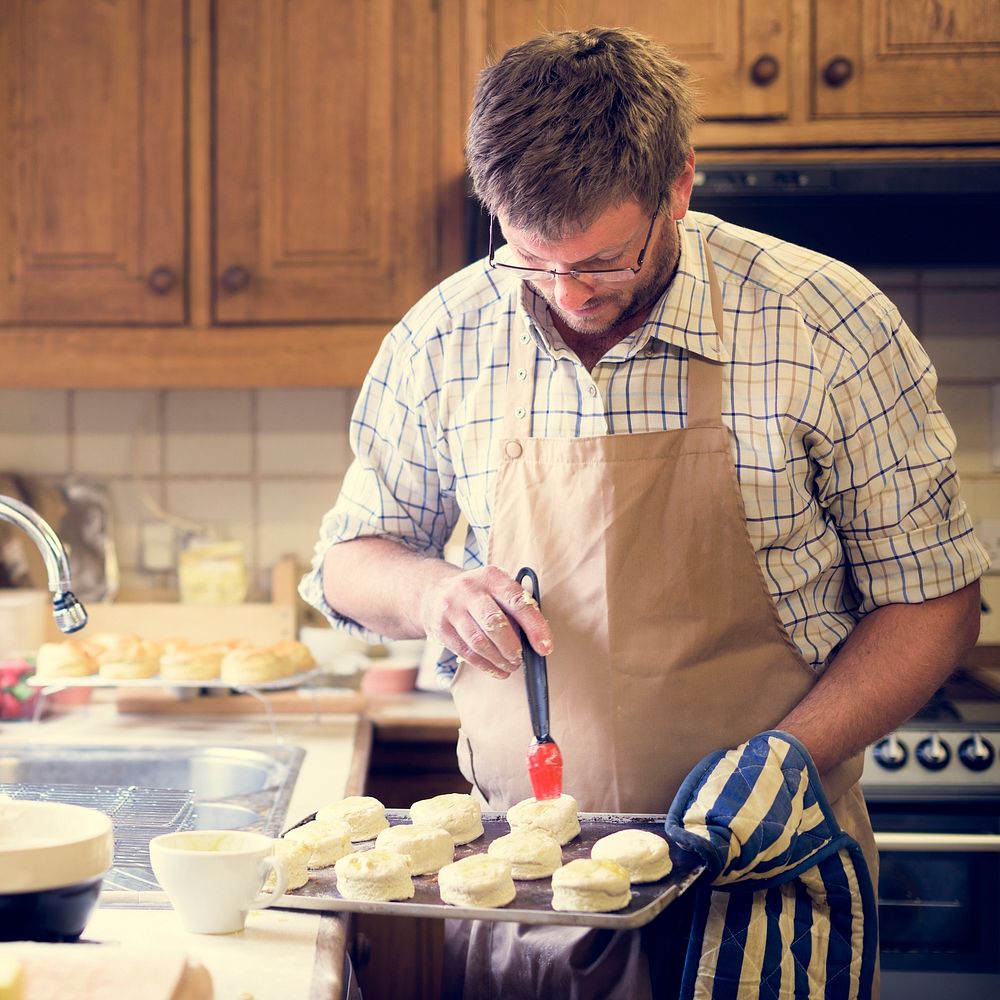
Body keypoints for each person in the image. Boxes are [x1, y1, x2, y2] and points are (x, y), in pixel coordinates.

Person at [300, 25, 987, 998]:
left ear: (679, 187)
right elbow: (345, 560)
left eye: (604, 262)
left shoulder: (825, 326)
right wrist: (434, 590)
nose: (569, 293)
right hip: (525, 886)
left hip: (767, 882)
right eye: (533, 261)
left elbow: (936, 604)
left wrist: (790, 756)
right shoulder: (444, 336)